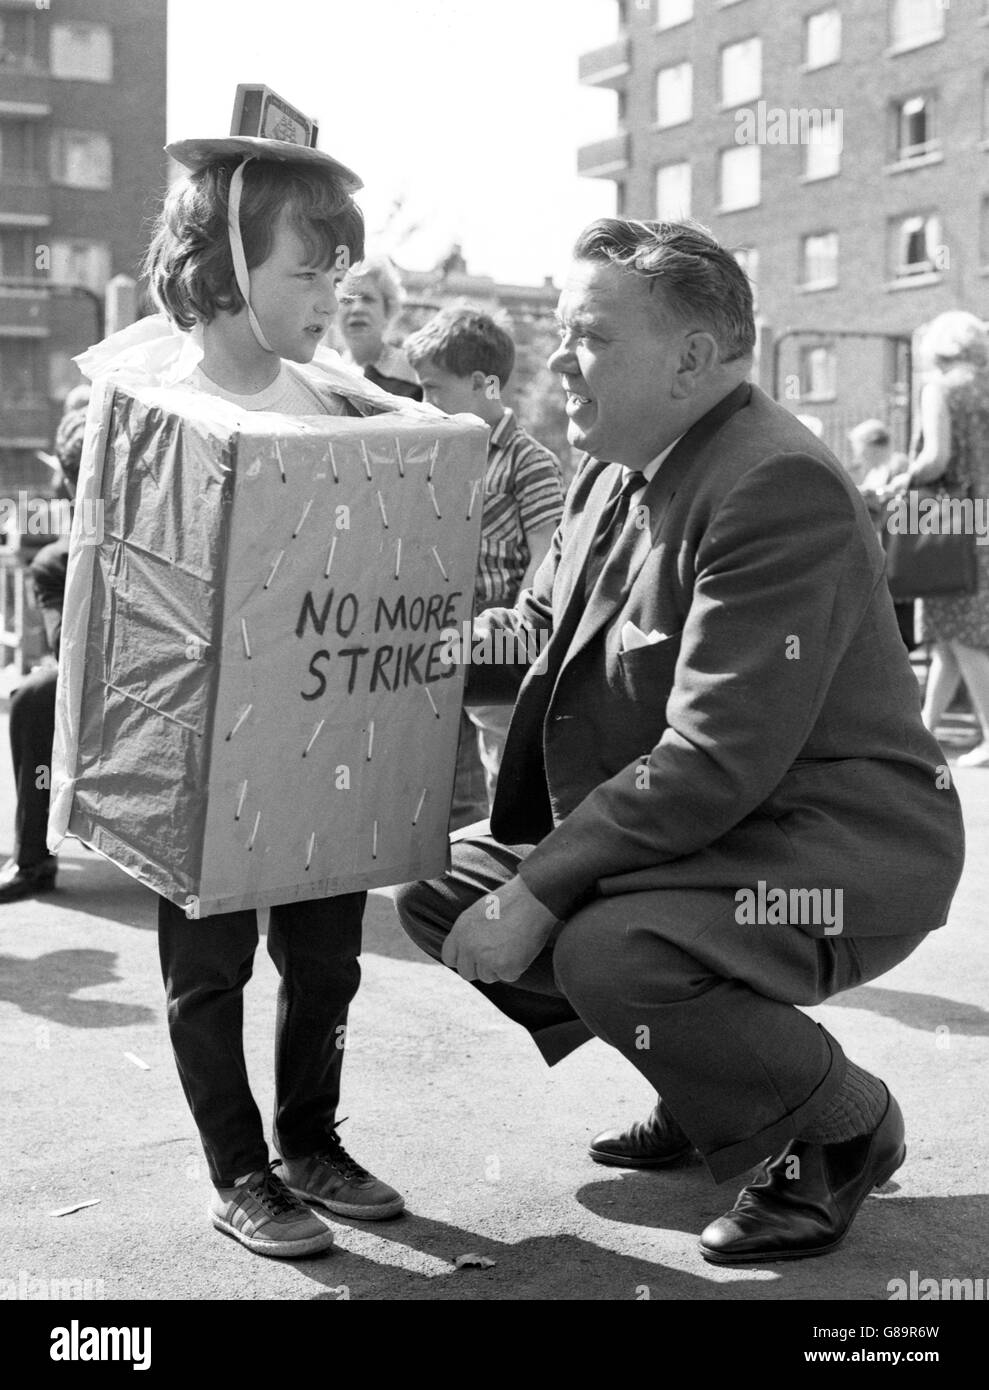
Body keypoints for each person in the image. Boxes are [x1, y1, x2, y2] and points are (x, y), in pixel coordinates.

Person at [395, 219, 965, 1265]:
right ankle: (711, 1084)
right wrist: (396, 658)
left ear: (692, 357)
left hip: (831, 846)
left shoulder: (771, 486)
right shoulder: (611, 468)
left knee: (605, 944)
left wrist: (538, 894)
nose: (558, 360)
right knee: (438, 886)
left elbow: (712, 755)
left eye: (588, 337)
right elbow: (536, 632)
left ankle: (838, 1125)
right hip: (715, 830)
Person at [92, 128, 407, 1258]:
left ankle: (311, 1140)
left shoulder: (338, 400)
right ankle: (241, 1170)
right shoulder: (150, 406)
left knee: (326, 957)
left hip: (314, 729)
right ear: (224, 270)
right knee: (209, 966)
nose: (333, 295)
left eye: (339, 272)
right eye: (306, 272)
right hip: (197, 749)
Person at [404, 306, 564, 823]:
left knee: (503, 770)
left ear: (480, 383)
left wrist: (514, 643)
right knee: (444, 780)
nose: (426, 402)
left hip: (499, 648)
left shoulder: (528, 461)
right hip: (447, 642)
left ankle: (498, 875)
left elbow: (547, 558)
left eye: (434, 389)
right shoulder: (442, 454)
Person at [890, 312, 989, 768]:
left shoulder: (941, 388)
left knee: (962, 635)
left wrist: (903, 479)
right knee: (952, 637)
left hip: (950, 515)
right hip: (982, 515)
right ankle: (923, 736)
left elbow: (936, 458)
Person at [0, 407, 85, 904]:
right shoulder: (57, 559)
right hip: (104, 676)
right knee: (35, 698)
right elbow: (67, 650)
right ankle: (34, 859)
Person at [845, 418, 915, 650]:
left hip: (897, 558)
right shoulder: (876, 471)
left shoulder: (898, 466)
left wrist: (875, 497)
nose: (857, 454)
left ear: (872, 444)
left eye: (859, 447)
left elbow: (905, 508)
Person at [338, 253, 423, 400]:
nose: (357, 309)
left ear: (387, 309)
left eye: (367, 299)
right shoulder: (331, 370)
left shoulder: (413, 373)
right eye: (348, 299)